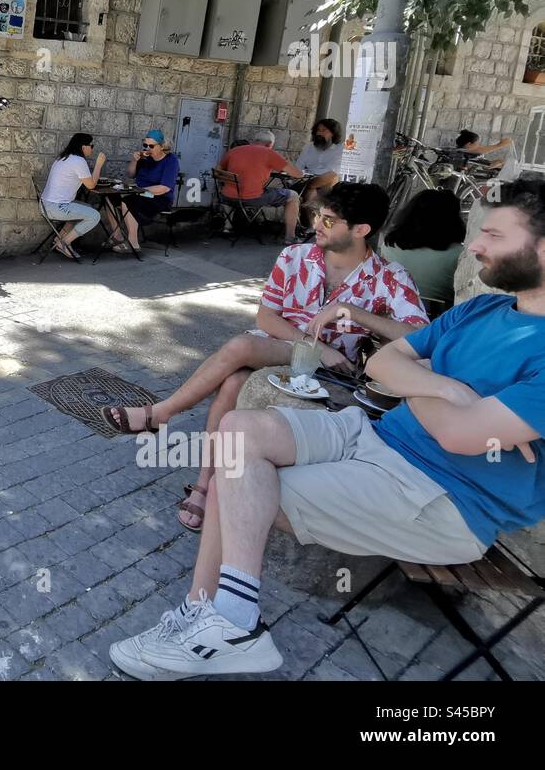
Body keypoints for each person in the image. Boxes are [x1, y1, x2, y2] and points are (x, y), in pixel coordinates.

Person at [110, 177, 545, 679]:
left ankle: (227, 622)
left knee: (240, 482)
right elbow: (384, 364)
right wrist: (451, 390)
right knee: (236, 430)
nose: (473, 245)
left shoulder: (406, 285)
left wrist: (420, 381)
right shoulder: (482, 308)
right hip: (375, 435)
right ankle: (218, 615)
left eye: (493, 234)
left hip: (443, 498)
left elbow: (456, 436)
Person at [100, 183, 429, 530]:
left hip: (328, 371)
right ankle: (204, 483)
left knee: (238, 362)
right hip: (283, 346)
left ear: (361, 230)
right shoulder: (295, 257)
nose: (317, 223)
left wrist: (353, 312)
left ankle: (165, 423)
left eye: (329, 220)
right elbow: (265, 317)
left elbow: (421, 336)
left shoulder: (388, 278)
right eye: (318, 215)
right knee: (238, 368)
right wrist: (316, 346)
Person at [380, 189, 466, 313]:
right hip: (439, 323)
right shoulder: (460, 255)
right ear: (453, 219)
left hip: (392, 316)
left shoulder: (389, 246)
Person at [215, 129, 303, 244]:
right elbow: (296, 174)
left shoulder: (234, 150)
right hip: (252, 199)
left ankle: (228, 226)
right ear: (270, 144)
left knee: (235, 189)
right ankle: (290, 238)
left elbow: (217, 171)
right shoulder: (269, 153)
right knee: (293, 196)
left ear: (254, 141)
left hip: (226, 197)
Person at [39, 133, 108, 261]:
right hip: (56, 207)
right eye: (91, 146)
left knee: (86, 208)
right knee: (94, 216)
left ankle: (59, 238)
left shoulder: (63, 158)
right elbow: (91, 185)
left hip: (46, 204)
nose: (92, 149)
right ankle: (63, 243)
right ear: (83, 147)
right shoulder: (78, 161)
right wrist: (99, 164)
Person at [112, 128, 181, 254]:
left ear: (161, 146)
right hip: (139, 193)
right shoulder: (145, 158)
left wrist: (138, 190)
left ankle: (133, 243)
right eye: (145, 145)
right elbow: (130, 174)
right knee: (109, 198)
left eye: (151, 146)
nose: (147, 148)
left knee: (128, 200)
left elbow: (164, 188)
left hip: (159, 198)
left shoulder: (171, 161)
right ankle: (117, 236)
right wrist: (134, 160)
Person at [294, 117, 343, 211]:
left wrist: (311, 184)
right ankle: (309, 217)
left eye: (324, 131)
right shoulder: (309, 147)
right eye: (318, 130)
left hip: (328, 184)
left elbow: (333, 173)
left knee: (332, 177)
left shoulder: (340, 149)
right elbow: (298, 168)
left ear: (333, 133)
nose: (319, 133)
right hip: (308, 181)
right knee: (310, 193)